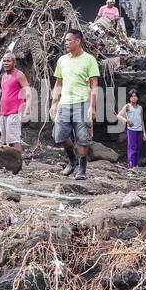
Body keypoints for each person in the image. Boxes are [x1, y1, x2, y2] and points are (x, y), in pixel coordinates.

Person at [49, 29, 100, 180]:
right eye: (65, 40)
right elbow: (58, 82)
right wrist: (54, 103)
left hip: (82, 103)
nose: (66, 43)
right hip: (64, 103)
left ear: (78, 41)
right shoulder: (62, 60)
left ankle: (82, 170)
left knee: (83, 137)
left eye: (69, 40)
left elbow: (94, 84)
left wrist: (92, 106)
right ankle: (72, 160)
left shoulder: (89, 59)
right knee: (61, 135)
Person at [0, 52, 31, 151]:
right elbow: (3, 96)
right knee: (6, 141)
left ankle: (18, 164)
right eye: (4, 61)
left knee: (14, 141)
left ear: (14, 63)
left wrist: (28, 106)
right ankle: (11, 164)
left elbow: (27, 90)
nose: (5, 63)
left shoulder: (19, 75)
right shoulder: (3, 76)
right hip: (3, 113)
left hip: (14, 112)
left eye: (8, 61)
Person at [115, 89, 146, 172]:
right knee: (132, 147)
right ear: (129, 98)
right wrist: (126, 121)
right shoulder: (127, 106)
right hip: (131, 130)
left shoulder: (140, 108)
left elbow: (142, 120)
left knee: (138, 148)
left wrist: (144, 133)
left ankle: (136, 166)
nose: (134, 98)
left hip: (139, 130)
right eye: (132, 96)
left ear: (138, 98)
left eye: (135, 96)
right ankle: (131, 166)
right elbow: (118, 116)